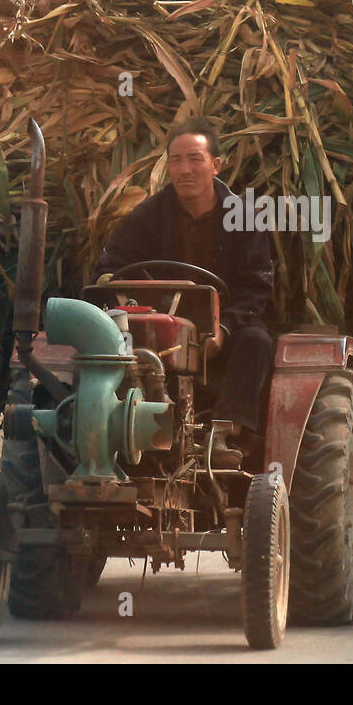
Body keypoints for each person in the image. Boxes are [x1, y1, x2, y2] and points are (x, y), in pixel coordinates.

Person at [95, 118, 274, 468]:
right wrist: (129, 301)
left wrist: (224, 329)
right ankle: (122, 429)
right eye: (176, 160)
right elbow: (109, 269)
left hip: (222, 325)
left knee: (257, 342)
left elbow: (256, 286)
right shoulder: (146, 217)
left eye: (195, 158)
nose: (185, 169)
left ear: (216, 165)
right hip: (161, 324)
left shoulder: (245, 217)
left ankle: (224, 433)